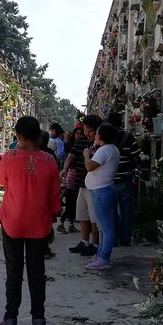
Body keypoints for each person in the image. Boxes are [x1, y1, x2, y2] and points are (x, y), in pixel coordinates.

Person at [0, 115, 61, 325]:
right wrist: (52, 219)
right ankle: (38, 319)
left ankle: (10, 318)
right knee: (37, 271)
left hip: (12, 221)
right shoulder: (49, 160)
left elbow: (1, 181)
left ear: (19, 135)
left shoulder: (10, 157)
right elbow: (54, 195)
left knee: (13, 271)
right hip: (39, 222)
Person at [82, 122, 120, 271]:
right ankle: (100, 255)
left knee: (106, 228)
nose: (95, 135)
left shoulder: (105, 150)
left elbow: (89, 167)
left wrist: (86, 156)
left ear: (101, 136)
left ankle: (104, 257)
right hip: (102, 191)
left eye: (97, 132)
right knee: (103, 227)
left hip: (101, 191)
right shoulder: (111, 149)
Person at [65, 115, 102, 255]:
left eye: (90, 131)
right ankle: (84, 242)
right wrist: (65, 168)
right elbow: (71, 155)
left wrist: (87, 155)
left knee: (94, 218)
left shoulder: (101, 146)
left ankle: (95, 244)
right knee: (82, 215)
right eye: (85, 130)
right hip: (81, 184)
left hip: (94, 187)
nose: (87, 134)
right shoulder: (81, 142)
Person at [107, 111, 141, 247]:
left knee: (111, 210)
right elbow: (136, 156)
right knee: (126, 209)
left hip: (109, 179)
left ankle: (113, 238)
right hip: (125, 178)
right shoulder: (128, 137)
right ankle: (125, 238)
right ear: (121, 122)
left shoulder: (106, 137)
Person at [57, 125, 85, 235]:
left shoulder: (81, 145)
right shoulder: (72, 146)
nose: (79, 135)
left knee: (73, 203)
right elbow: (67, 159)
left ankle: (70, 225)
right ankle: (61, 223)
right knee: (70, 203)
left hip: (77, 177)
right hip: (72, 177)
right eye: (77, 133)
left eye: (81, 133)